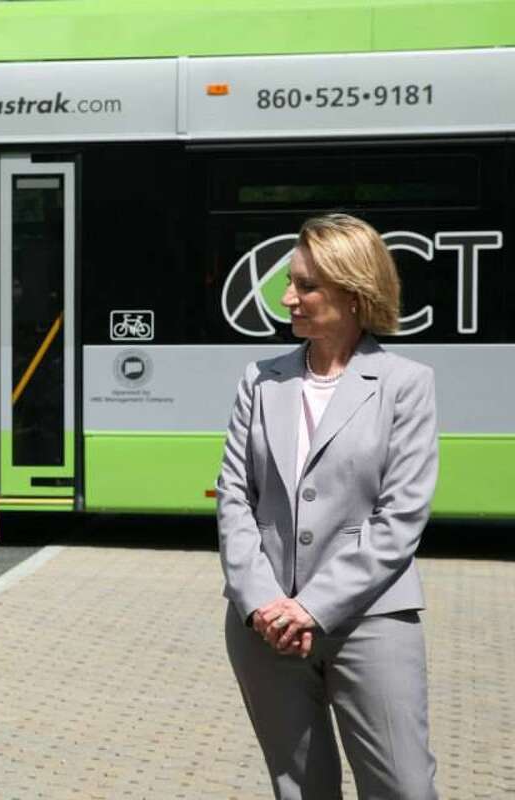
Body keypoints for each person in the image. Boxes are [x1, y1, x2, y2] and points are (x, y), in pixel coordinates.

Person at [217, 213, 439, 799]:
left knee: (402, 787)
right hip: (264, 628)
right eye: (291, 282)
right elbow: (235, 499)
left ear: (356, 292)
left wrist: (310, 608)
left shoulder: (405, 384)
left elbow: (400, 521)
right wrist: (263, 602)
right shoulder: (260, 381)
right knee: (301, 789)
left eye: (306, 286)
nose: (287, 297)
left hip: (371, 620)